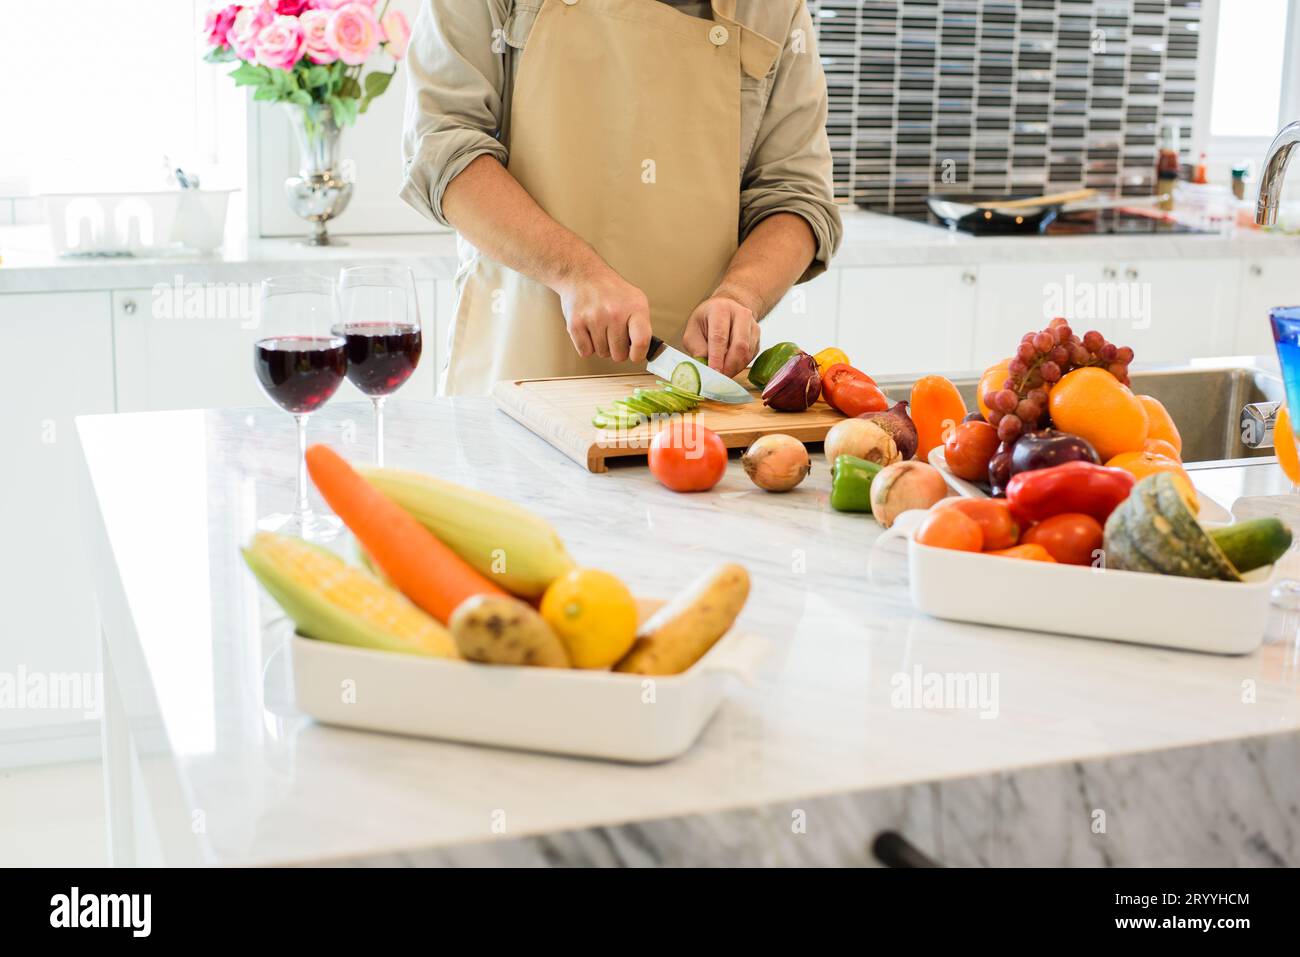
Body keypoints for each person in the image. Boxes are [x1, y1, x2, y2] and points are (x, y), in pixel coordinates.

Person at [400, 0, 842, 395]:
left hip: (691, 389)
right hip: (520, 362)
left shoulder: (775, 10)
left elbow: (797, 196)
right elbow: (443, 150)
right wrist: (576, 272)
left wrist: (741, 295)